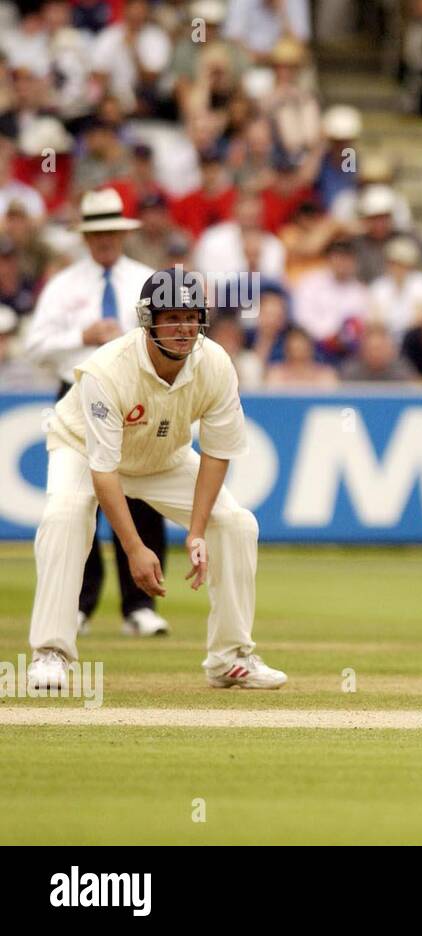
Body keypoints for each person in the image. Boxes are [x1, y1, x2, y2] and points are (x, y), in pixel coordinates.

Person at [26, 268, 286, 692]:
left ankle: (230, 658)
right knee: (66, 515)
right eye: (172, 317)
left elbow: (217, 453)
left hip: (163, 457)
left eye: (191, 316)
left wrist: (198, 531)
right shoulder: (107, 370)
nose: (184, 328)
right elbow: (104, 471)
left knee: (237, 524)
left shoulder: (215, 363)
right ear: (148, 321)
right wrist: (134, 549)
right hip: (82, 450)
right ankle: (51, 654)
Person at [23, 189, 171, 638]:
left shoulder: (147, 280)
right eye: (97, 233)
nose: (104, 240)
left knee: (141, 497)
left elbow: (167, 338)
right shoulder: (65, 285)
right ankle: (79, 605)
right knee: (79, 498)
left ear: (121, 234)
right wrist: (81, 334)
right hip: (79, 395)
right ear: (86, 237)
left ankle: (140, 605)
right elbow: (35, 347)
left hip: (137, 396)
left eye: (111, 232)